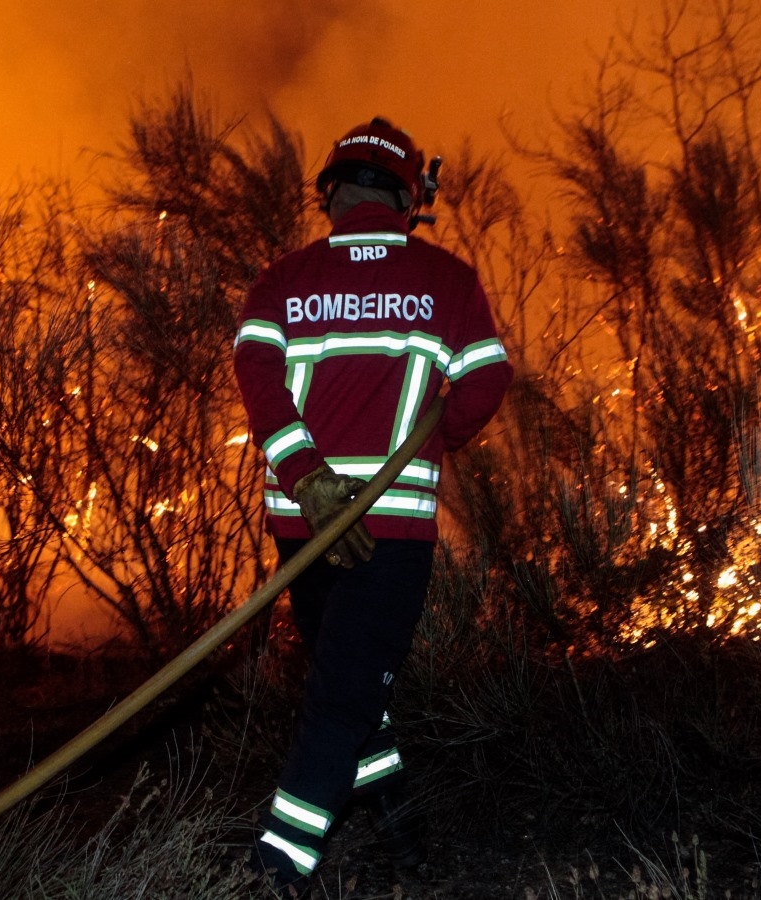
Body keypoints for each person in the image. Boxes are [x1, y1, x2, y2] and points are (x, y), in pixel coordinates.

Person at [232, 117, 513, 895]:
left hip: (303, 530)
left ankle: (399, 824)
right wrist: (437, 436)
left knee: (348, 684)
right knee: (345, 696)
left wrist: (307, 478)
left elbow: (257, 382)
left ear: (332, 194)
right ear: (408, 198)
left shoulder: (280, 281)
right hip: (390, 531)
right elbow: (487, 378)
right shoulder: (446, 278)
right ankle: (275, 874)